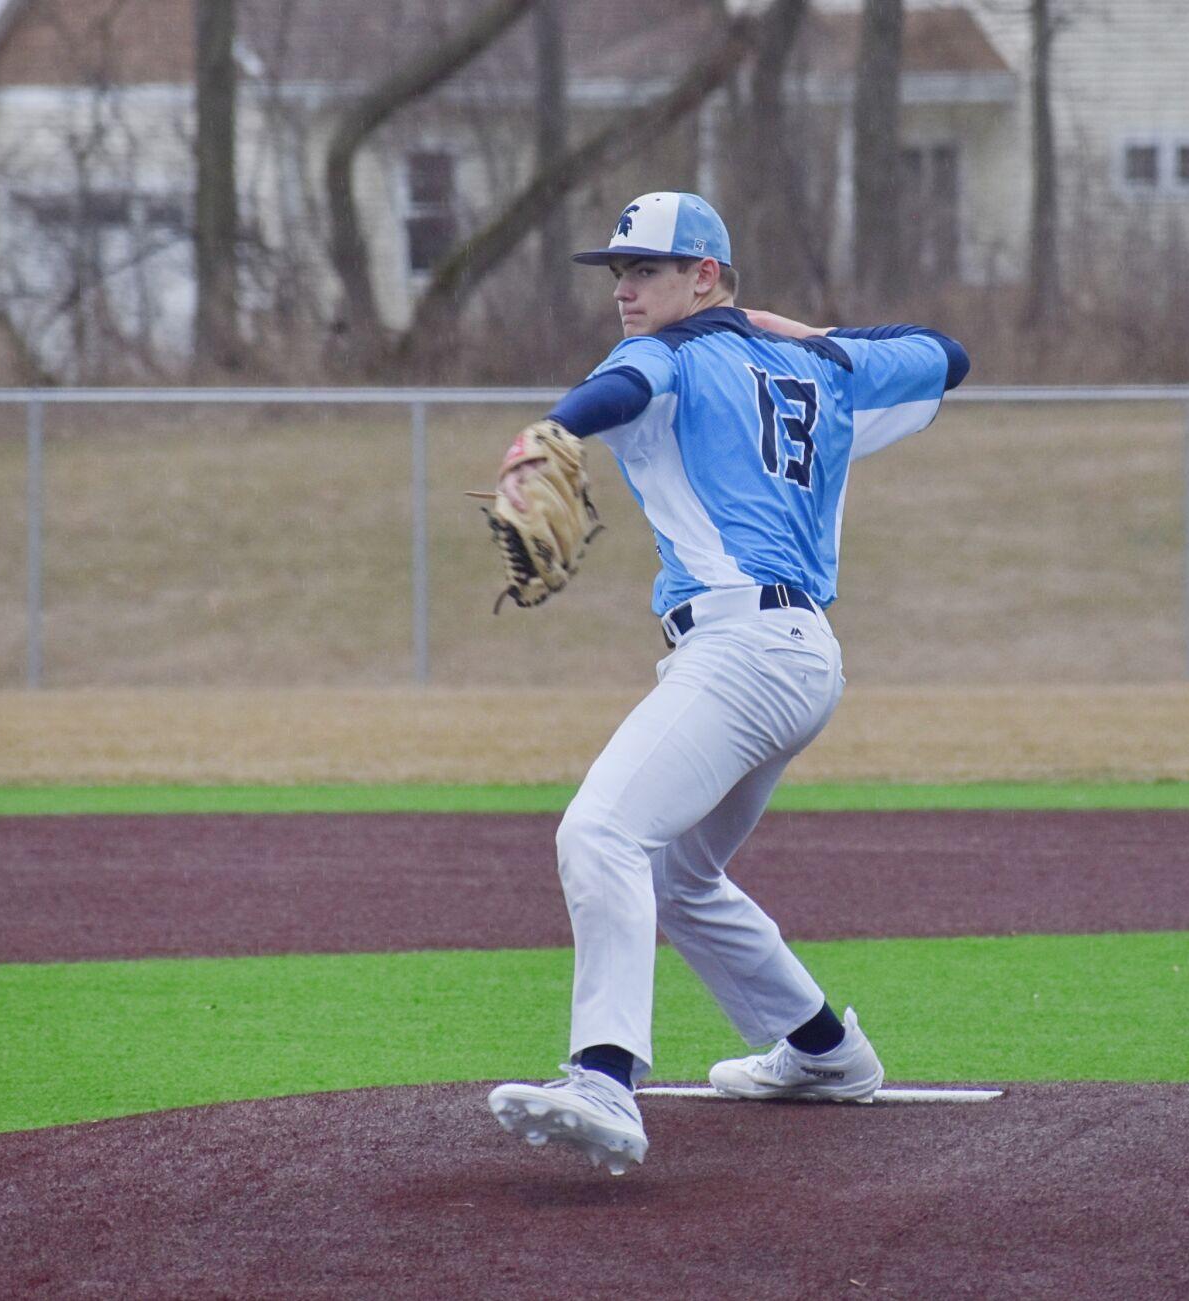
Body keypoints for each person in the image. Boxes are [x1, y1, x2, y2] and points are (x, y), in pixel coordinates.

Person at [487, 191, 970, 1175]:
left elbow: (616, 394)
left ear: (703, 275)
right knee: (680, 875)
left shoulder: (666, 356)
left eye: (648, 270)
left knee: (601, 831)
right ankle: (823, 1051)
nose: (624, 289)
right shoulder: (823, 368)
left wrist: (552, 430)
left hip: (741, 648)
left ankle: (602, 1075)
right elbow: (944, 354)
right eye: (618, 272)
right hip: (800, 654)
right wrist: (789, 328)